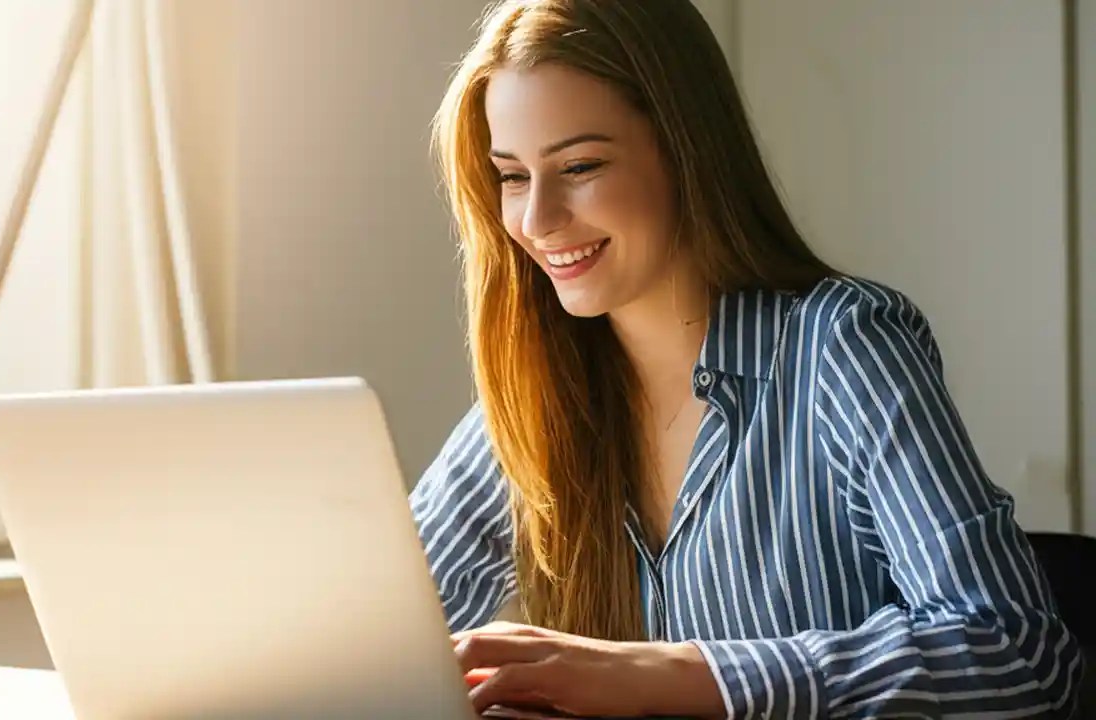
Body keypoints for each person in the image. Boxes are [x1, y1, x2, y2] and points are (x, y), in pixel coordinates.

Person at [408, 0, 1086, 717]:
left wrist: (668, 675)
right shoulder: (537, 395)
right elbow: (370, 634)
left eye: (579, 165)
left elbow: (1020, 656)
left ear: (686, 150)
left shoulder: (842, 345)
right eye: (512, 176)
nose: (537, 220)